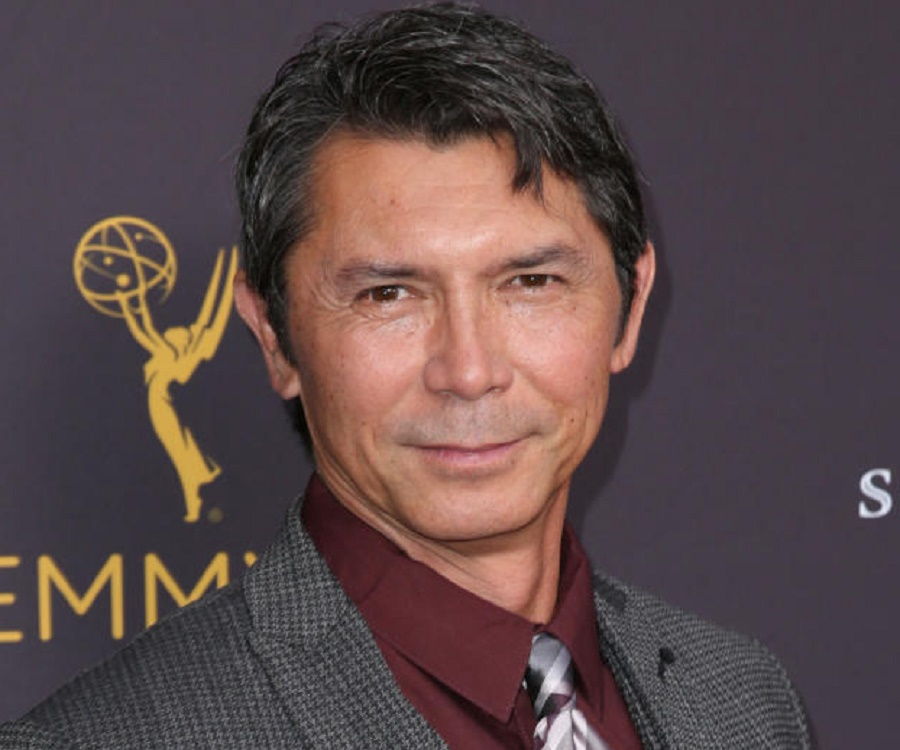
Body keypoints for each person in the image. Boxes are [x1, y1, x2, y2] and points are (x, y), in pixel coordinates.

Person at [0, 3, 812, 748]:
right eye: (388, 294)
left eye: (531, 282)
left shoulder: (742, 701)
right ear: (274, 336)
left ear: (629, 311)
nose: (469, 371)